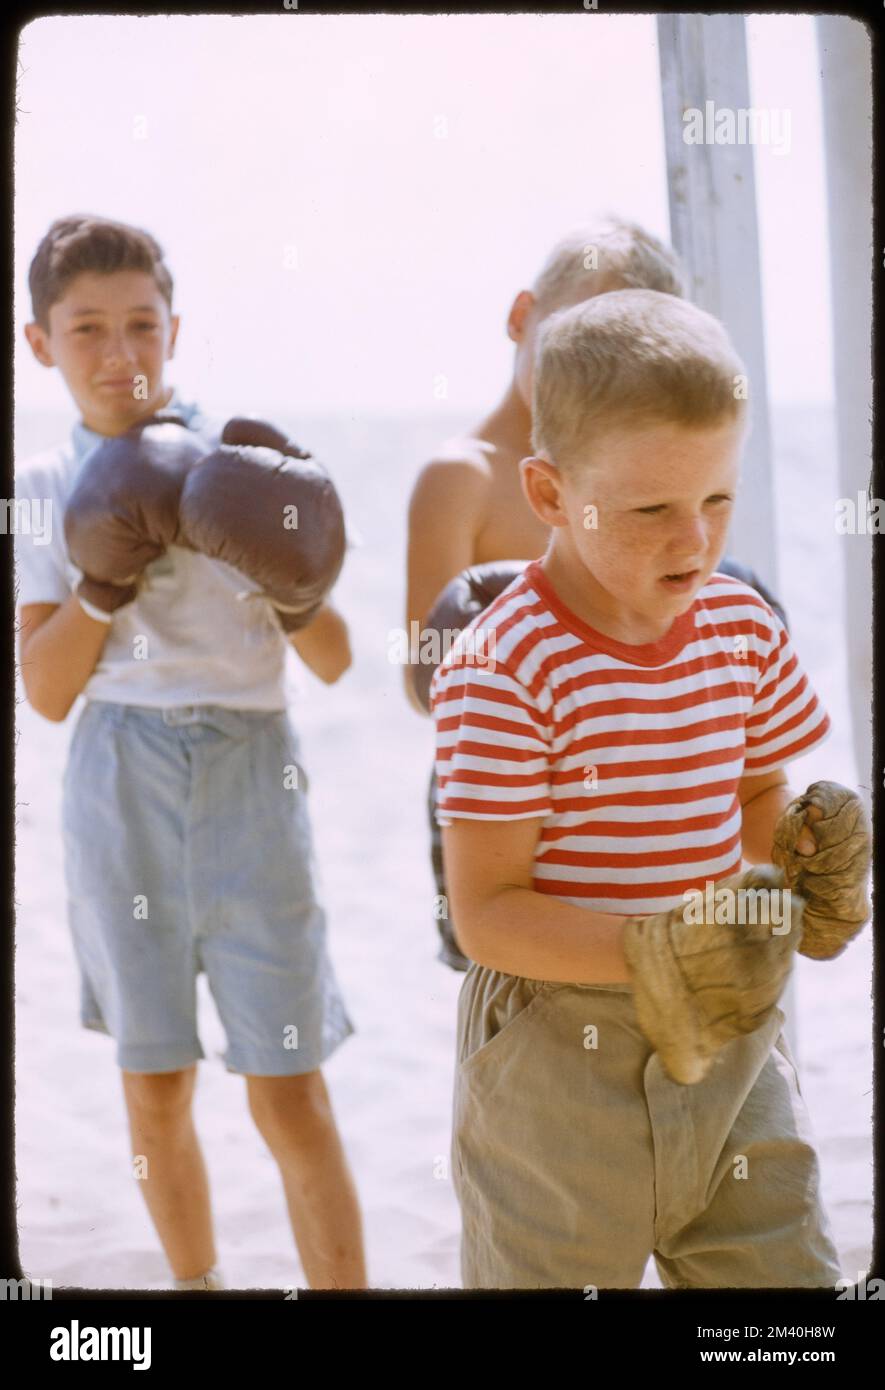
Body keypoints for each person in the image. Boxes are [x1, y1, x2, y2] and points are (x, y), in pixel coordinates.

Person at [429, 287, 870, 1288]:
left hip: (727, 1039)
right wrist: (652, 951)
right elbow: (486, 913)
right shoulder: (505, 666)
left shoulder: (743, 629)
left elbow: (756, 802)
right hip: (556, 1055)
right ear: (547, 493)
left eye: (718, 499)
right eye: (652, 509)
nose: (695, 540)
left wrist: (803, 868)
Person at [16, 214, 366, 1291]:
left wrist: (292, 576)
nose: (120, 356)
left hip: (254, 773)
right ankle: (197, 1292)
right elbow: (44, 690)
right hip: (118, 781)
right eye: (87, 331)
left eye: (141, 325)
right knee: (154, 1085)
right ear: (39, 343)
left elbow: (342, 661)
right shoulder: (37, 485)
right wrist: (101, 582)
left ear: (176, 327)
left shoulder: (243, 457)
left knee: (289, 1084)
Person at [404, 218, 788, 970]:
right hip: (511, 794)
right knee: (529, 998)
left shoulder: (661, 475)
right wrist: (535, 625)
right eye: (579, 332)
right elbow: (423, 682)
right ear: (521, 317)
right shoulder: (463, 477)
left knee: (677, 979)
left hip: (657, 776)